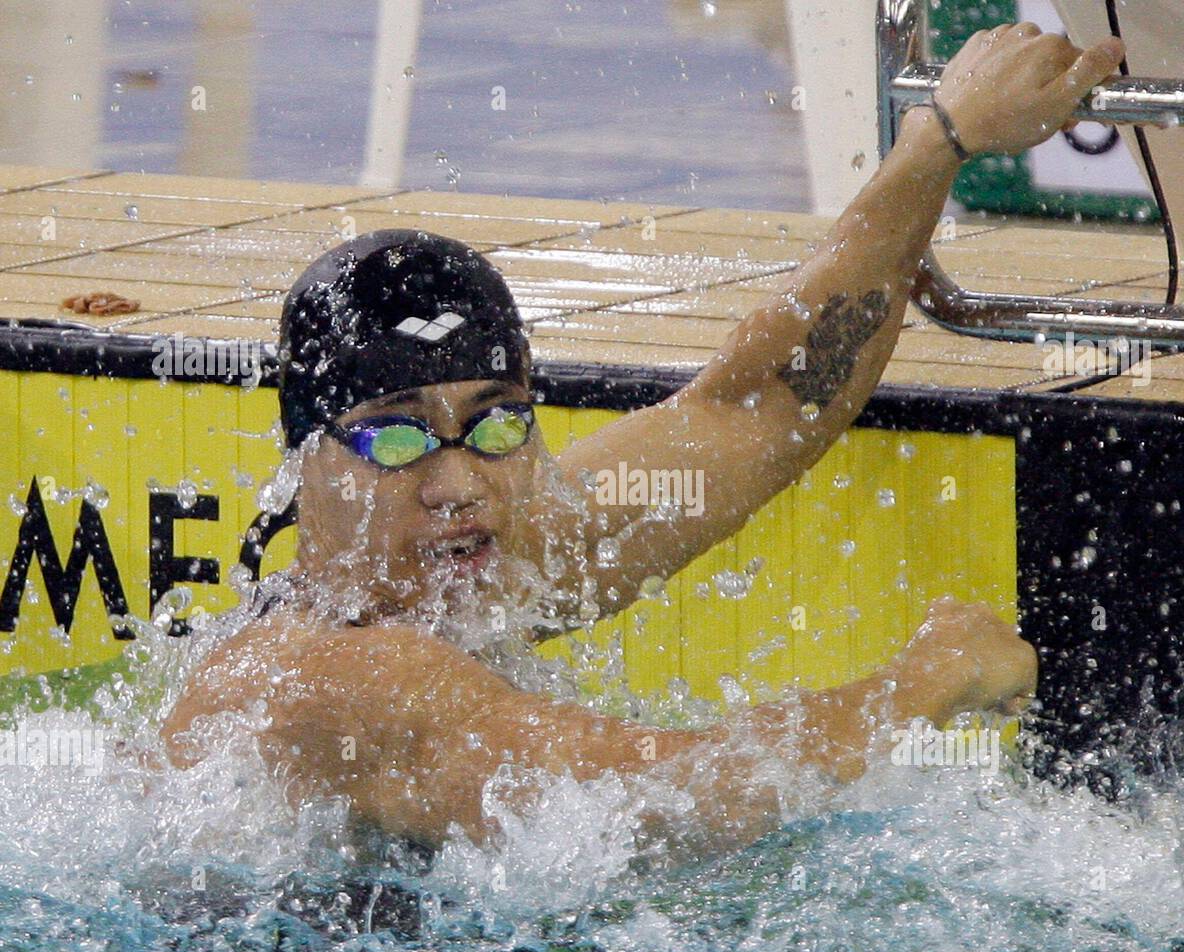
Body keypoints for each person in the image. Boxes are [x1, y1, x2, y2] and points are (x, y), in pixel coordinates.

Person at [164, 24, 1125, 852]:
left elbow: (759, 407)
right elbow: (636, 799)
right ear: (307, 458)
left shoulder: (487, 561)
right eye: (400, 440)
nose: (458, 482)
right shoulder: (335, 678)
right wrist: (922, 685)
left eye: (497, 423)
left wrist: (939, 144)